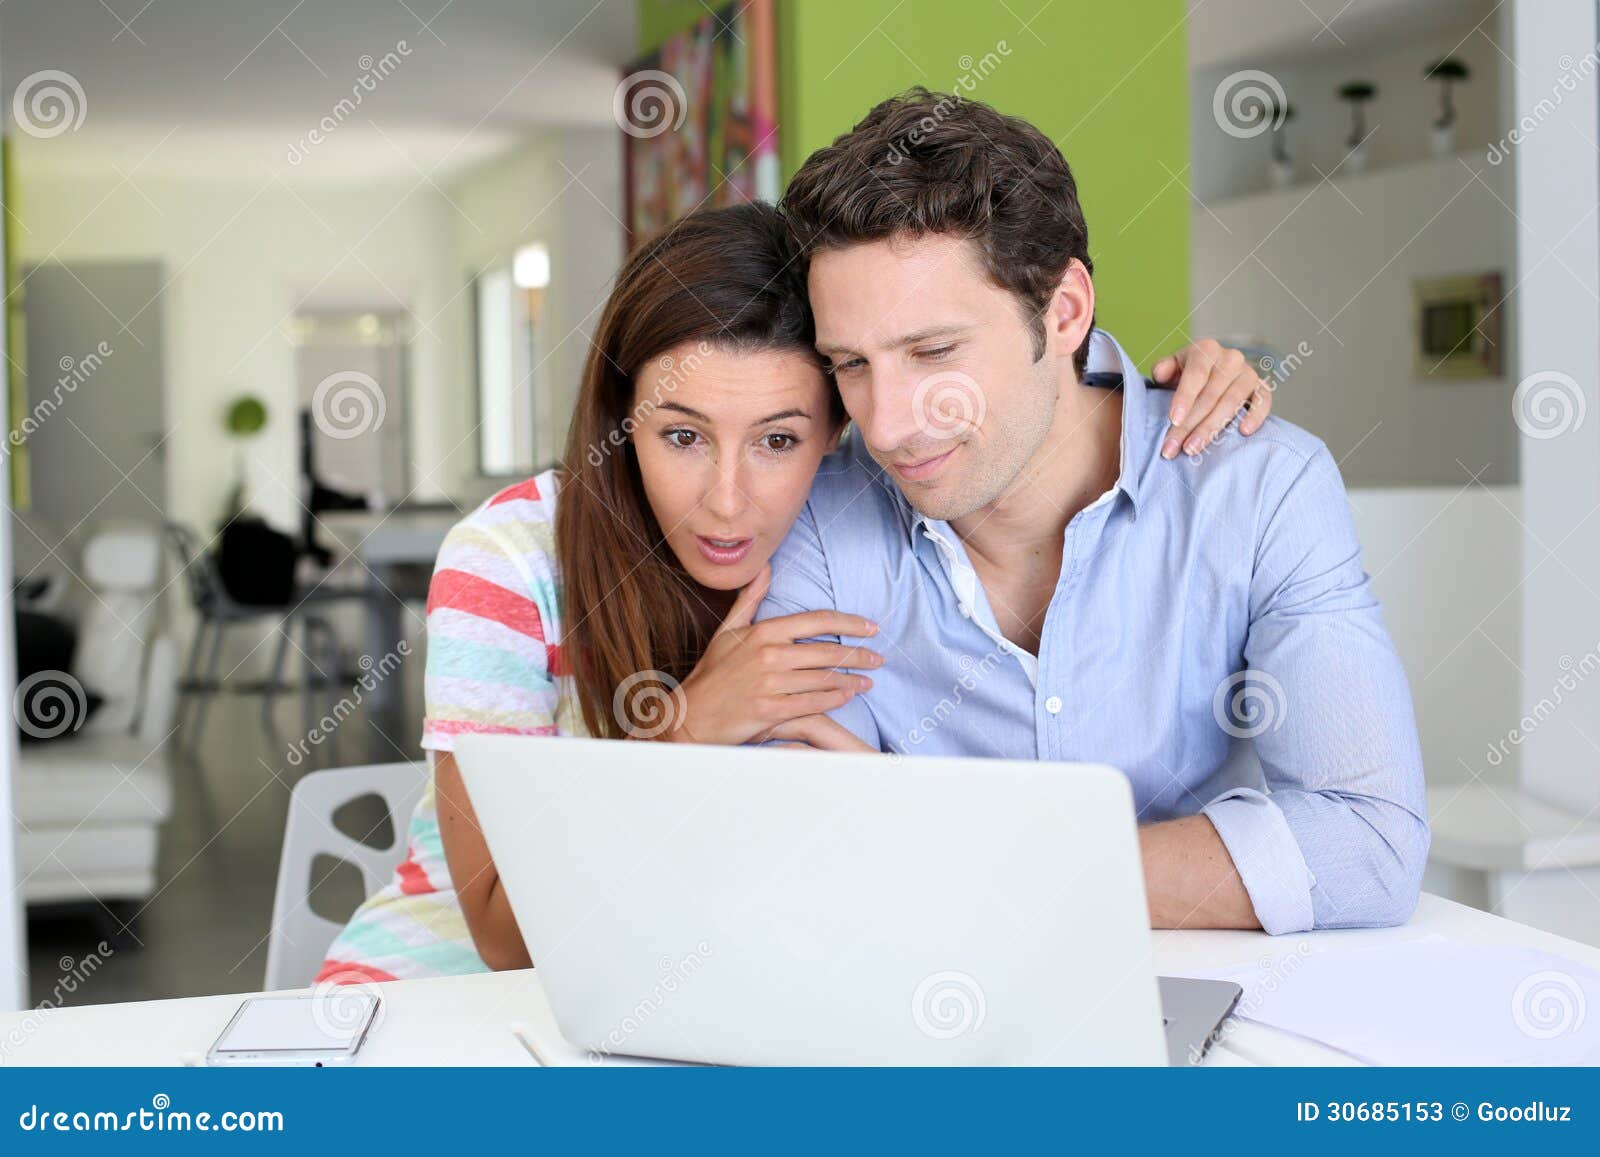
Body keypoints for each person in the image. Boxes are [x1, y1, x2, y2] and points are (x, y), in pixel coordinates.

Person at [315, 202, 1274, 984]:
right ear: (620, 418)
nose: (728, 499)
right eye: (681, 435)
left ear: (842, 427)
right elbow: (496, 933)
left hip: (697, 1002)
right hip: (440, 1008)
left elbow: (1019, 405)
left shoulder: (862, 523)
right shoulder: (513, 561)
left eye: (779, 438)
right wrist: (687, 732)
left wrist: (1165, 398)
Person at [759, 89, 1429, 936]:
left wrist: (973, 854)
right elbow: (806, 845)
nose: (886, 423)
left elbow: (1367, 841)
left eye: (933, 352)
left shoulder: (1259, 489)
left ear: (1066, 310)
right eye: (851, 363)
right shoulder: (819, 517)